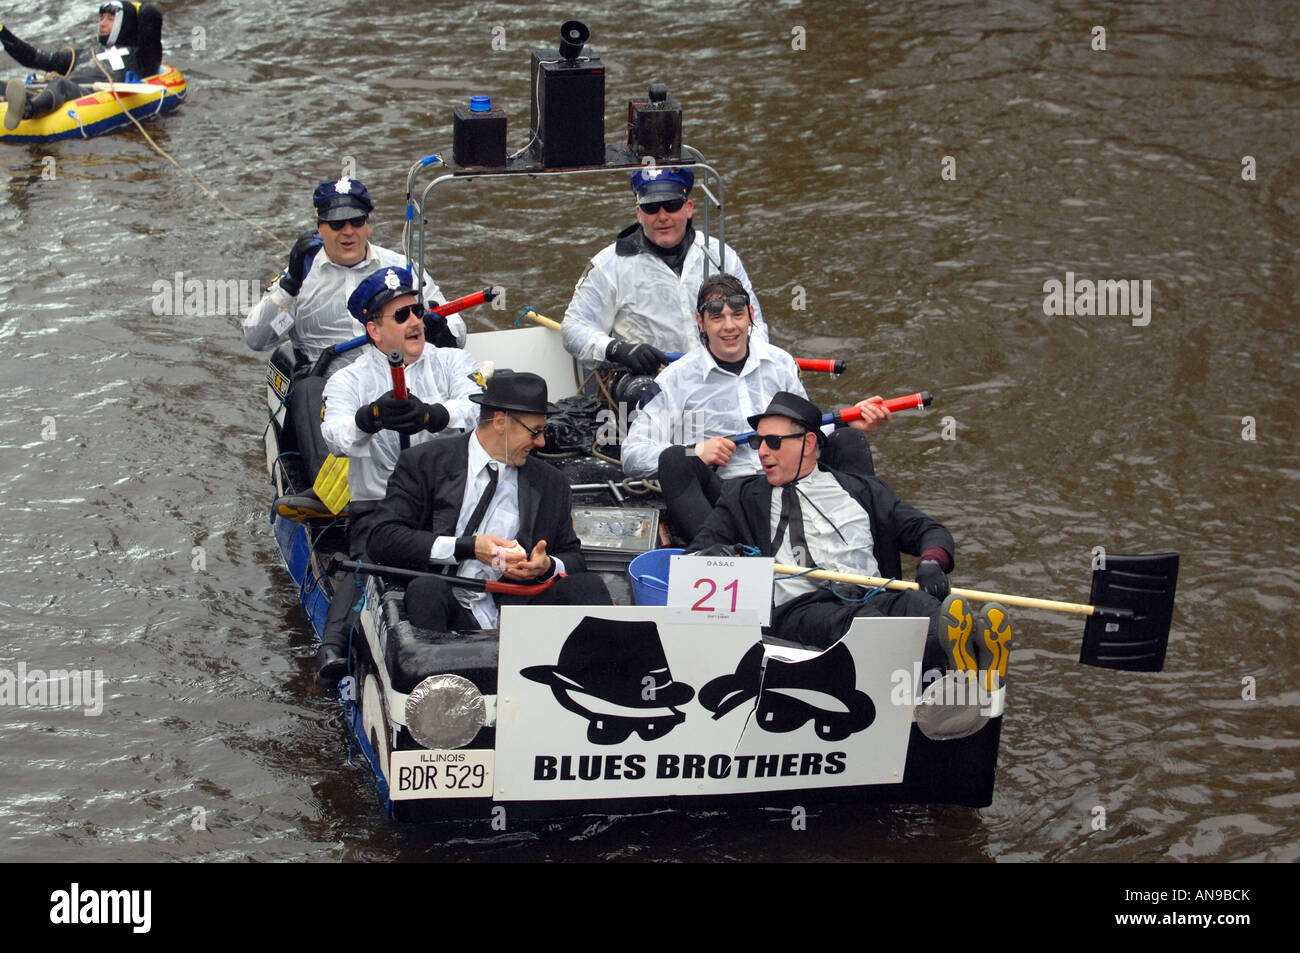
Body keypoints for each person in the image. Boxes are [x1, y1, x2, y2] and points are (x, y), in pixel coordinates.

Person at [687, 392, 1010, 674]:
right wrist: (718, 557)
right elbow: (698, 554)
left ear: (809, 443)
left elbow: (928, 530)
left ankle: (972, 659)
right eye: (759, 442)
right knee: (868, 624)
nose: (761, 453)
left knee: (923, 607)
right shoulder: (742, 496)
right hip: (801, 609)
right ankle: (954, 662)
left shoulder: (864, 490)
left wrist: (931, 563)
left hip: (874, 594)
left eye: (773, 442)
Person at [309, 266, 486, 685]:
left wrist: (436, 414)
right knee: (366, 562)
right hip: (380, 507)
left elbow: (481, 407)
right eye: (402, 315)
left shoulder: (453, 361)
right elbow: (333, 436)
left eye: (417, 310)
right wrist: (369, 418)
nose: (415, 322)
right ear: (373, 330)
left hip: (451, 504)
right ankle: (335, 646)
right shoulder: (346, 379)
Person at [622, 273, 889, 541]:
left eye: (737, 315)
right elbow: (633, 454)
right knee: (676, 459)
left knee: (850, 440)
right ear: (700, 322)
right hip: (726, 495)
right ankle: (714, 553)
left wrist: (850, 420)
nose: (729, 326)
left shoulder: (781, 363)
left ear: (750, 315)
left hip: (789, 480)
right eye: (717, 318)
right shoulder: (674, 379)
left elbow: (807, 434)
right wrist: (696, 452)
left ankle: (869, 554)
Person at [246, 176, 463, 481]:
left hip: (400, 377)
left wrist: (442, 328)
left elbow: (455, 325)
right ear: (320, 228)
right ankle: (331, 494)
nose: (348, 232)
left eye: (356, 221)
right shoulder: (298, 278)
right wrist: (289, 285)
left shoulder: (402, 269)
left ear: (367, 225)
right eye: (336, 224)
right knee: (307, 387)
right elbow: (257, 340)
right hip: (333, 392)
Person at [367, 371, 613, 632]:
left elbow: (573, 557)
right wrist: (468, 547)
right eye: (535, 432)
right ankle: (435, 673)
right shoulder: (425, 462)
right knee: (427, 589)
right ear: (499, 422)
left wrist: (546, 565)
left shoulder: (551, 482)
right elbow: (383, 538)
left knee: (588, 585)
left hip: (518, 610)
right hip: (447, 603)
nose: (540, 442)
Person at [561, 167, 767, 376]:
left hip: (718, 373)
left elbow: (755, 323)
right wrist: (616, 349)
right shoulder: (608, 265)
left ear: (688, 208)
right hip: (651, 379)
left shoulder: (721, 255)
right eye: (651, 208)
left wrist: (752, 362)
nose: (662, 216)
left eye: (671, 206)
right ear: (639, 213)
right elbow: (573, 328)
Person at [3, 3, 163, 131]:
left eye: (110, 18)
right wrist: (3, 32)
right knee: (4, 85)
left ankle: (29, 110)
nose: (102, 23)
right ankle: (22, 104)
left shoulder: (141, 56)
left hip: (85, 94)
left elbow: (151, 14)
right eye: (101, 18)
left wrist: (134, 7)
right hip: (58, 93)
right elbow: (33, 57)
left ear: (126, 22)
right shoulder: (82, 55)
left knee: (60, 84)